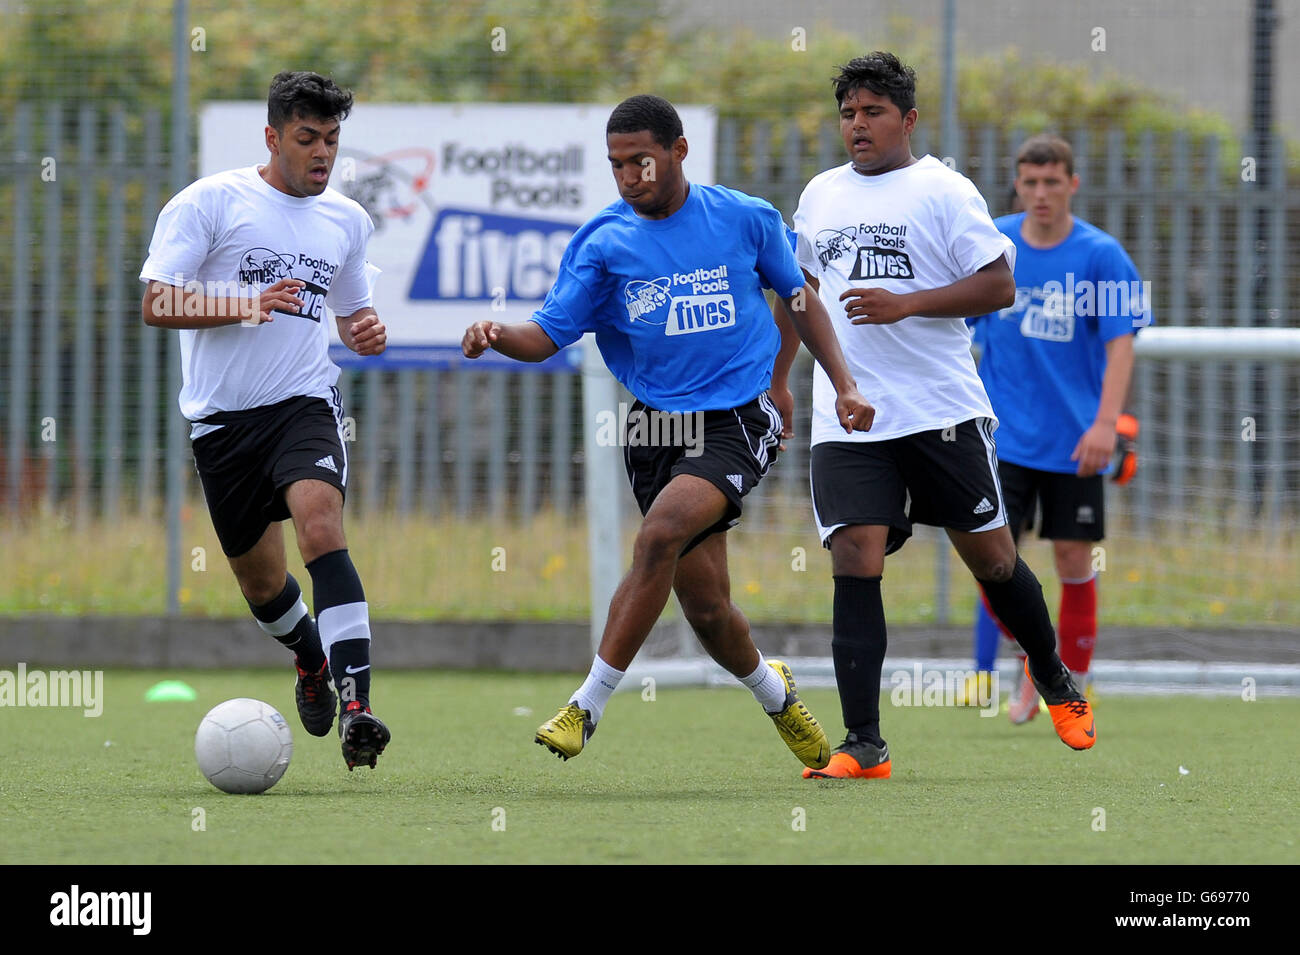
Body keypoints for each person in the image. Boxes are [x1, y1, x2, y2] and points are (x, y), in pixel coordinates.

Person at [461, 94, 873, 769]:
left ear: (679, 151)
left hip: (738, 418)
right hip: (654, 427)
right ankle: (777, 695)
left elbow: (798, 297)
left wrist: (830, 383)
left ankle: (586, 706)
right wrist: (497, 333)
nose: (629, 177)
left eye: (642, 161)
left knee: (657, 535)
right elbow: (545, 337)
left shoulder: (744, 218)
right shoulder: (604, 242)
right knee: (707, 608)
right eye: (618, 165)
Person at [774, 52, 1096, 780]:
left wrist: (907, 303)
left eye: (873, 112)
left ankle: (1053, 677)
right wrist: (782, 383)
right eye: (849, 113)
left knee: (994, 560)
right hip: (849, 414)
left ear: (908, 119)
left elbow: (1001, 285)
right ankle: (865, 745)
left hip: (940, 411)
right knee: (853, 553)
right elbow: (799, 293)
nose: (858, 125)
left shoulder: (943, 190)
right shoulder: (820, 195)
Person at [139, 71, 391, 771]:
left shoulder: (346, 219)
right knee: (261, 586)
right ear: (273, 137)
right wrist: (248, 301)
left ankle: (358, 707)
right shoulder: (211, 203)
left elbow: (352, 314)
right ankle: (310, 658)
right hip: (222, 424)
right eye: (307, 139)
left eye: (332, 140)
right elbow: (158, 303)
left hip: (304, 405)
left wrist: (366, 330)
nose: (321, 153)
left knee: (320, 524)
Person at [966, 134, 1146, 724]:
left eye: (1052, 182)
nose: (1041, 193)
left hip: (1076, 440)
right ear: (1018, 184)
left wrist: (1104, 426)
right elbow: (955, 315)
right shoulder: (995, 240)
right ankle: (1038, 662)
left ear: (1072, 184)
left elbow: (1122, 345)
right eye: (1030, 182)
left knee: (1074, 559)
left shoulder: (1101, 256)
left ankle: (1073, 682)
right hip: (1001, 436)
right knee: (993, 561)